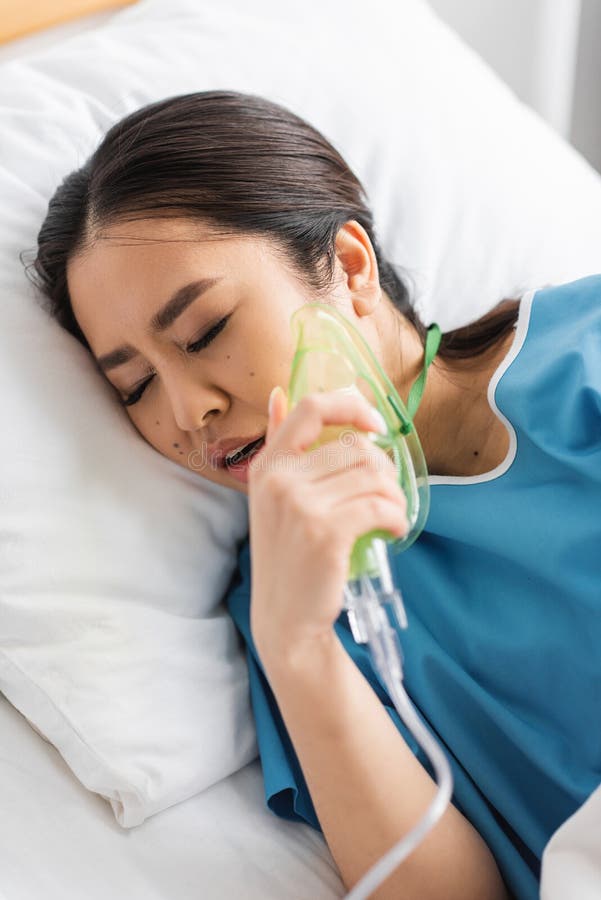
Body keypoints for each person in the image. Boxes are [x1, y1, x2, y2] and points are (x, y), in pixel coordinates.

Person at [28, 90, 600, 900]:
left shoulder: (584, 349)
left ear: (352, 267)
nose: (189, 410)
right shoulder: (288, 602)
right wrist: (298, 646)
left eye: (206, 332)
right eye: (135, 386)